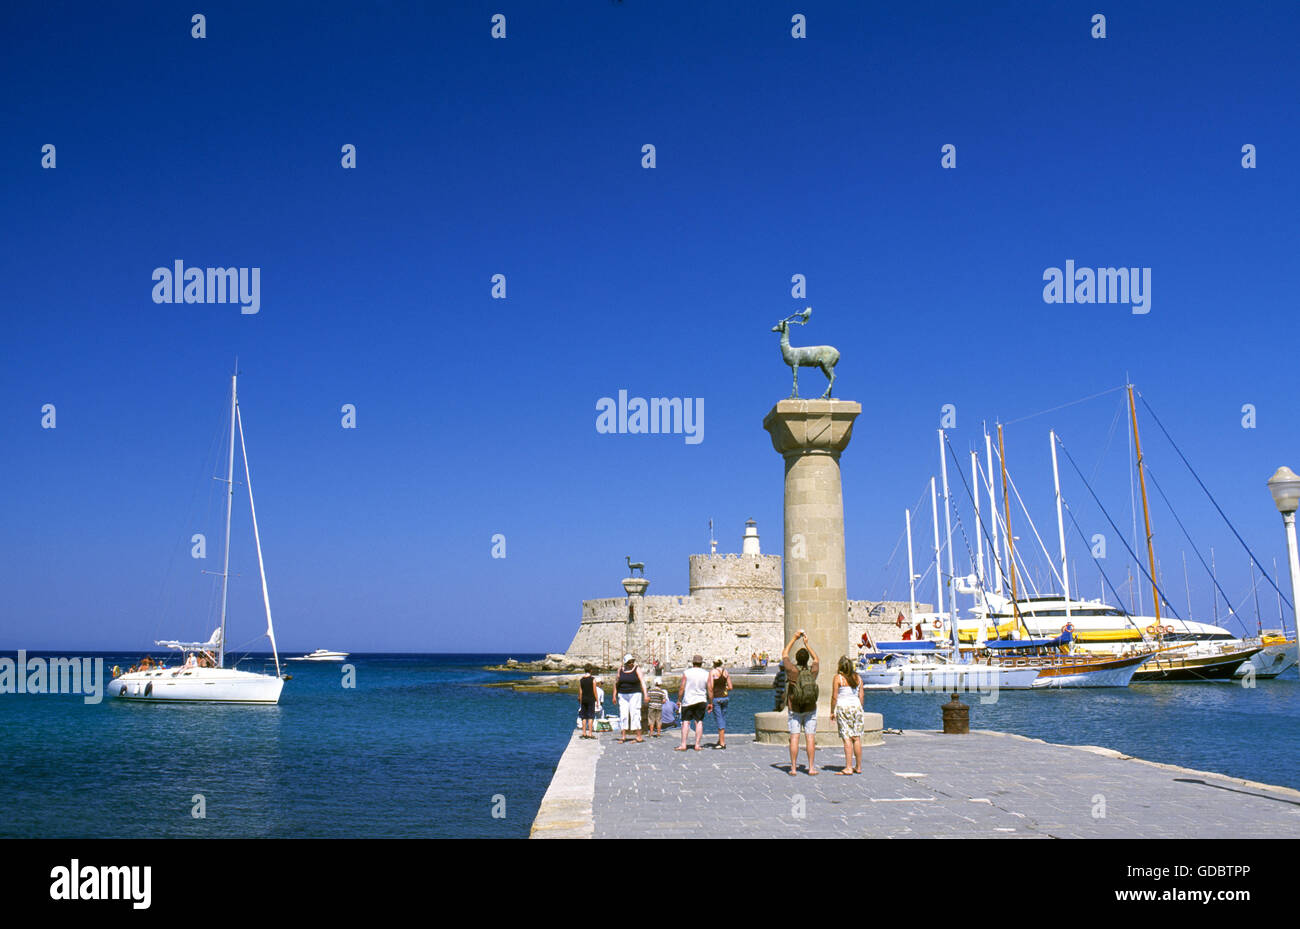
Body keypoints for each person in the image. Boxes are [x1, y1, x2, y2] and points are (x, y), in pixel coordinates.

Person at [782, 629, 820, 776]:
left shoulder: (792, 670)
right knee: (810, 737)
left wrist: (794, 638)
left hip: (795, 708)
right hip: (810, 707)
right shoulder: (812, 671)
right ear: (807, 659)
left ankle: (793, 768)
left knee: (794, 737)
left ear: (797, 659)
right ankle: (811, 768)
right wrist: (807, 644)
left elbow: (784, 654)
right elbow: (816, 659)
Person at [831, 655, 867, 774]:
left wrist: (832, 711)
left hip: (843, 707)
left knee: (846, 737)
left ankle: (848, 767)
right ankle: (859, 766)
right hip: (856, 707)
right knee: (856, 738)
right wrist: (860, 708)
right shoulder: (858, 678)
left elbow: (834, 697)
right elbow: (861, 695)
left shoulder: (838, 678)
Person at [675, 654, 710, 752]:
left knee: (686, 722)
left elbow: (682, 687)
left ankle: (683, 744)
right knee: (699, 722)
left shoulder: (687, 672)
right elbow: (710, 688)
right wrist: (710, 701)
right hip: (701, 699)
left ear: (693, 663)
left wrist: (679, 700)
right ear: (701, 663)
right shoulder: (706, 674)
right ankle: (697, 745)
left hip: (688, 700)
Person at [615, 654, 647, 744]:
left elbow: (642, 682)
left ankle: (638, 736)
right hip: (622, 694)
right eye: (629, 662)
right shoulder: (620, 670)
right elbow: (616, 683)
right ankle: (623, 736)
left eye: (632, 661)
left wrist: (645, 694)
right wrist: (614, 695)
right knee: (623, 714)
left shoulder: (637, 669)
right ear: (625, 663)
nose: (631, 663)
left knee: (635, 713)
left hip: (635, 694)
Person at [708, 659, 732, 749]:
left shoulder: (712, 672)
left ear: (714, 663)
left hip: (716, 698)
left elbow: (710, 687)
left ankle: (722, 743)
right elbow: (730, 687)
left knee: (719, 719)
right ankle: (720, 739)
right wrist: (724, 688)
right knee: (723, 718)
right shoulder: (726, 672)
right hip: (725, 698)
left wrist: (710, 702)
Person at [578, 665, 598, 739]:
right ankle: (590, 733)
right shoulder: (593, 679)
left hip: (584, 700)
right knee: (590, 716)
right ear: (591, 670)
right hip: (591, 699)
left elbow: (580, 691)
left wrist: (580, 700)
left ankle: (584, 733)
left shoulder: (581, 680)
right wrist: (597, 700)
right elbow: (594, 691)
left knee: (583, 717)